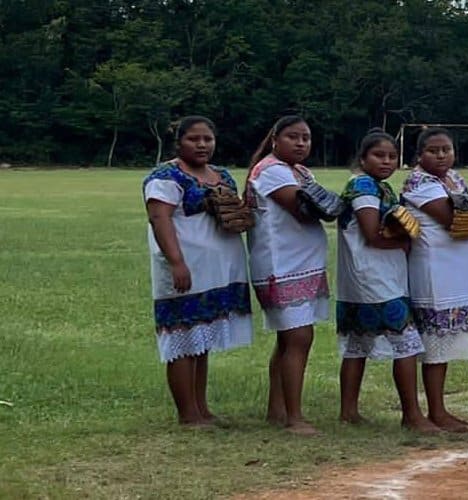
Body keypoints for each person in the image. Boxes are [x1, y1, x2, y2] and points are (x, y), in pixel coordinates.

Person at [143, 116, 253, 428]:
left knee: (201, 341)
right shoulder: (166, 176)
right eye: (194, 139)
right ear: (179, 142)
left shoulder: (221, 175)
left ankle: (201, 409)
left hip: (217, 269)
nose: (202, 144)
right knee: (183, 339)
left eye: (208, 139)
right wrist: (176, 262)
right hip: (186, 266)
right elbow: (159, 219)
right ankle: (187, 414)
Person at [334, 129, 437, 433]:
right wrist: (404, 244)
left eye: (392, 156)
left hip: (363, 279)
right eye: (379, 155)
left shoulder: (380, 187)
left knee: (357, 344)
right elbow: (372, 234)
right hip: (374, 277)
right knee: (405, 342)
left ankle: (348, 411)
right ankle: (412, 415)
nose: (387, 161)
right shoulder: (364, 185)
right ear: (363, 158)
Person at [247, 115, 330, 435]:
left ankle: (277, 409)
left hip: (299, 263)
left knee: (287, 339)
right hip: (282, 265)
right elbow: (306, 206)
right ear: (274, 140)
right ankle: (294, 417)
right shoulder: (272, 171)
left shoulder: (299, 171)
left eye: (306, 138)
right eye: (293, 137)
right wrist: (335, 206)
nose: (300, 143)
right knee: (298, 337)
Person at [402, 127, 468, 432]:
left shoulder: (453, 178)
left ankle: (440, 409)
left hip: (457, 269)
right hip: (435, 269)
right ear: (419, 155)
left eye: (446, 149)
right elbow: (454, 218)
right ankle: (435, 410)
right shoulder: (418, 181)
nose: (441, 155)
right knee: (435, 345)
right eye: (433, 150)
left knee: (445, 344)